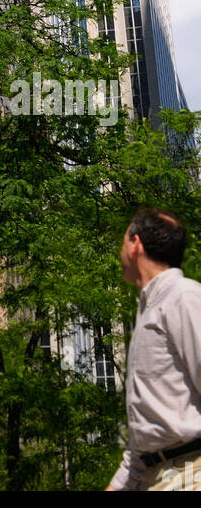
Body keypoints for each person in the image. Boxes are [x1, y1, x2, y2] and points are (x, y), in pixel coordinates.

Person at [106, 208, 201, 492]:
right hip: (156, 477)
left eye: (123, 242)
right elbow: (146, 439)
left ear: (135, 245)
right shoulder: (148, 312)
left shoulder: (183, 297)